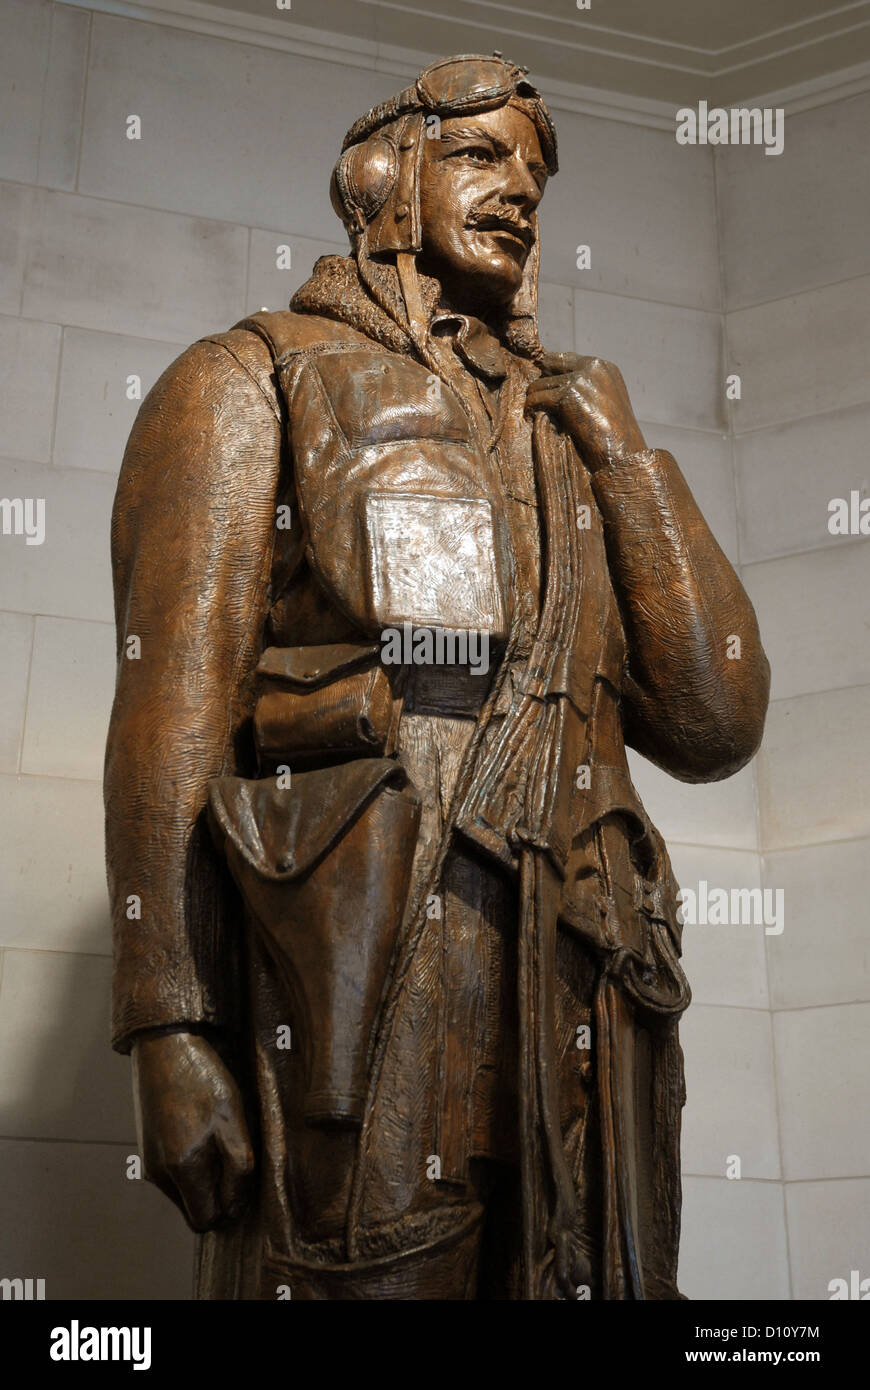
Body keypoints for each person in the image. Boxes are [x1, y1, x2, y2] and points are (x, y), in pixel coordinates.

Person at [104, 53, 770, 1300]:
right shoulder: (251, 378)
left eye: (535, 168)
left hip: (584, 970)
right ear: (384, 180)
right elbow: (168, 714)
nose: (519, 186)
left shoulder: (578, 431)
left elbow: (717, 717)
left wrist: (631, 462)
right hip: (371, 969)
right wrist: (168, 1025)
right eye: (481, 153)